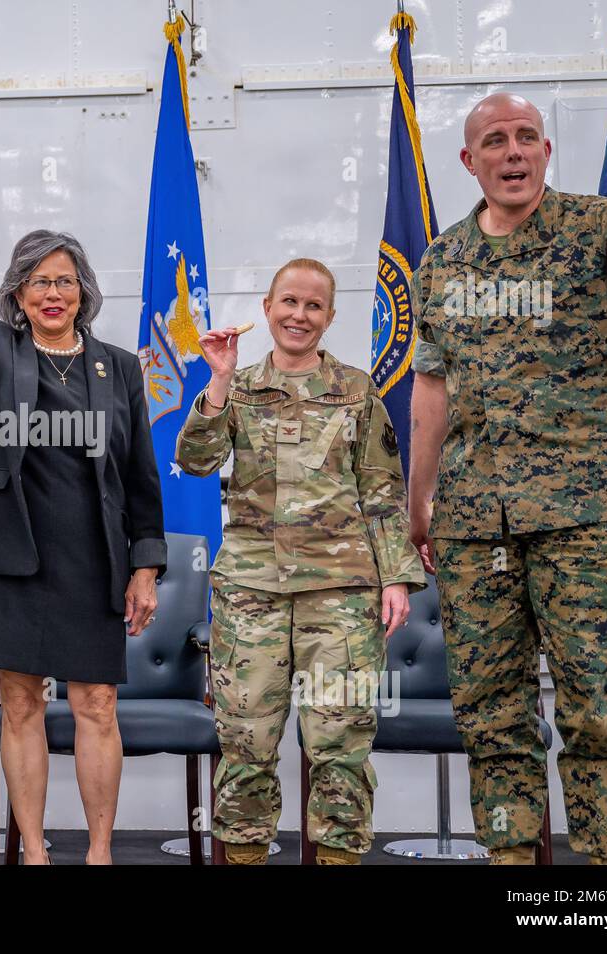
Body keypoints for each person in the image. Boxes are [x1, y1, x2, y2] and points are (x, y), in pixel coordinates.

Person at [409, 92, 607, 864]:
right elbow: (430, 387)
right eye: (495, 141)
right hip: (475, 523)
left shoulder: (603, 226)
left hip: (586, 517)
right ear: (469, 161)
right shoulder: (442, 260)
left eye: (527, 138)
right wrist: (418, 503)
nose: (513, 152)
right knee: (490, 718)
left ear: (545, 150)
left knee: (597, 713)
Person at [0, 155, 166, 865]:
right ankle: (33, 851)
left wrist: (145, 567)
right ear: (17, 296)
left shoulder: (119, 367)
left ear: (82, 292)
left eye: (64, 280)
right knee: (19, 706)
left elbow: (142, 478)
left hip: (92, 559)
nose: (52, 292)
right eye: (37, 282)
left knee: (96, 706)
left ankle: (100, 852)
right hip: (11, 558)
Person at [176, 258, 424, 865]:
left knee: (339, 747)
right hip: (251, 596)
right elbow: (197, 461)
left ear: (330, 317)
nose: (299, 315)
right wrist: (219, 382)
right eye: (289, 302)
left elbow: (383, 492)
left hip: (342, 597)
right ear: (267, 308)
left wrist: (396, 579)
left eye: (314, 306)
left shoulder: (358, 391)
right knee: (246, 744)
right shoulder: (235, 387)